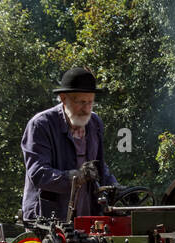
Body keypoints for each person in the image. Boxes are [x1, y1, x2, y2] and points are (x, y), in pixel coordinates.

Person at [19, 66, 119, 221]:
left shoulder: (95, 123)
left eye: (90, 102)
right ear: (63, 98)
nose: (86, 109)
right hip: (47, 220)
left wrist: (117, 189)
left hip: (87, 216)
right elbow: (39, 174)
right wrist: (75, 177)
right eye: (81, 102)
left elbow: (99, 168)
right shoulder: (41, 125)